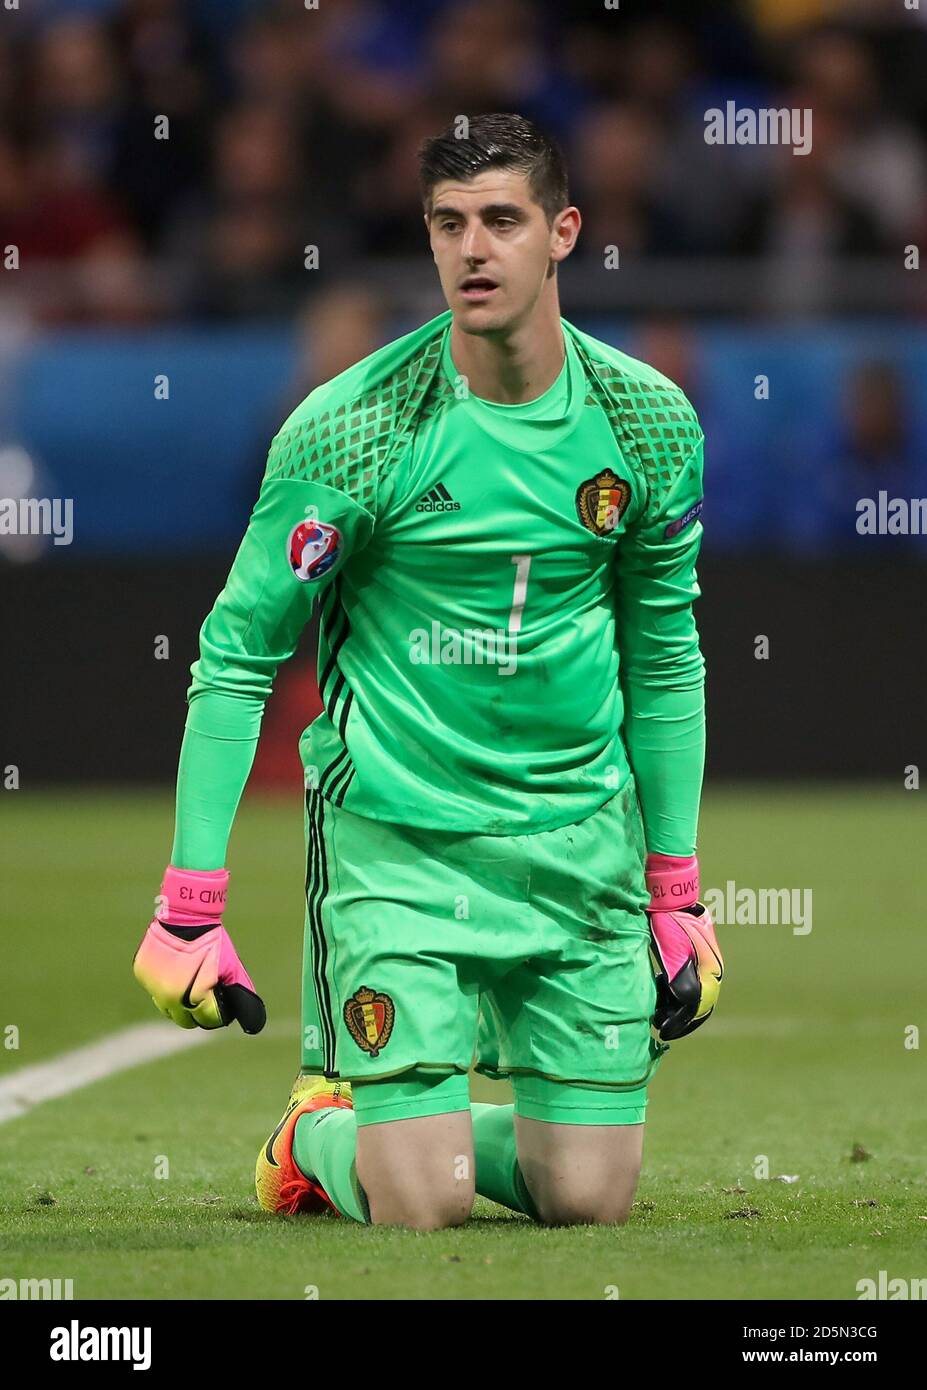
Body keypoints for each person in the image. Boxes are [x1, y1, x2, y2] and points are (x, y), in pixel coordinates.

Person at [134, 112, 722, 1231]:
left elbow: (664, 654)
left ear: (563, 233)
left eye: (502, 220)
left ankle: (432, 1127)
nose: (472, 249)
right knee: (422, 1202)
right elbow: (237, 650)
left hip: (578, 846)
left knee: (587, 1198)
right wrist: (189, 902)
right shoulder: (352, 430)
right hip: (398, 846)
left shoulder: (648, 424)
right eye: (449, 224)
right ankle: (313, 1132)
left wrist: (676, 888)